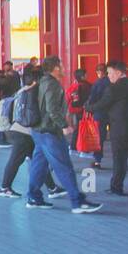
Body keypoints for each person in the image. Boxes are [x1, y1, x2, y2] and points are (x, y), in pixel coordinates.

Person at [25, 56, 102, 213]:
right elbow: (52, 109)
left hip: (38, 131)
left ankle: (33, 197)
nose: (64, 68)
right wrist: (64, 126)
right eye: (62, 65)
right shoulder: (52, 84)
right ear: (56, 68)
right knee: (64, 166)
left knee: (39, 166)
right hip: (50, 132)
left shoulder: (42, 81)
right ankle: (77, 202)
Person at [0, 66, 65, 200]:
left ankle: (52, 188)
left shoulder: (22, 90)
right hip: (25, 132)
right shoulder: (37, 91)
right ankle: (4, 187)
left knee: (38, 161)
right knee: (17, 161)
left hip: (18, 129)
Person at [88, 60, 128, 195]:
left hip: (121, 129)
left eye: (109, 73)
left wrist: (88, 107)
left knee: (120, 159)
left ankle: (117, 187)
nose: (108, 76)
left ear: (118, 72)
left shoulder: (114, 88)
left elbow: (102, 104)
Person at [85, 63, 110, 168]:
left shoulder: (98, 83)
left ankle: (97, 160)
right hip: (112, 113)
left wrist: (88, 108)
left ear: (99, 72)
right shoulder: (112, 82)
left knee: (98, 138)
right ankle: (122, 160)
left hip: (99, 112)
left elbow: (92, 98)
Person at [65, 67, 92, 153]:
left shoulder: (75, 85)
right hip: (85, 109)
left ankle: (73, 146)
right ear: (83, 76)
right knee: (84, 128)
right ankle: (82, 147)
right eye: (86, 74)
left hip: (76, 109)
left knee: (78, 128)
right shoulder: (86, 86)